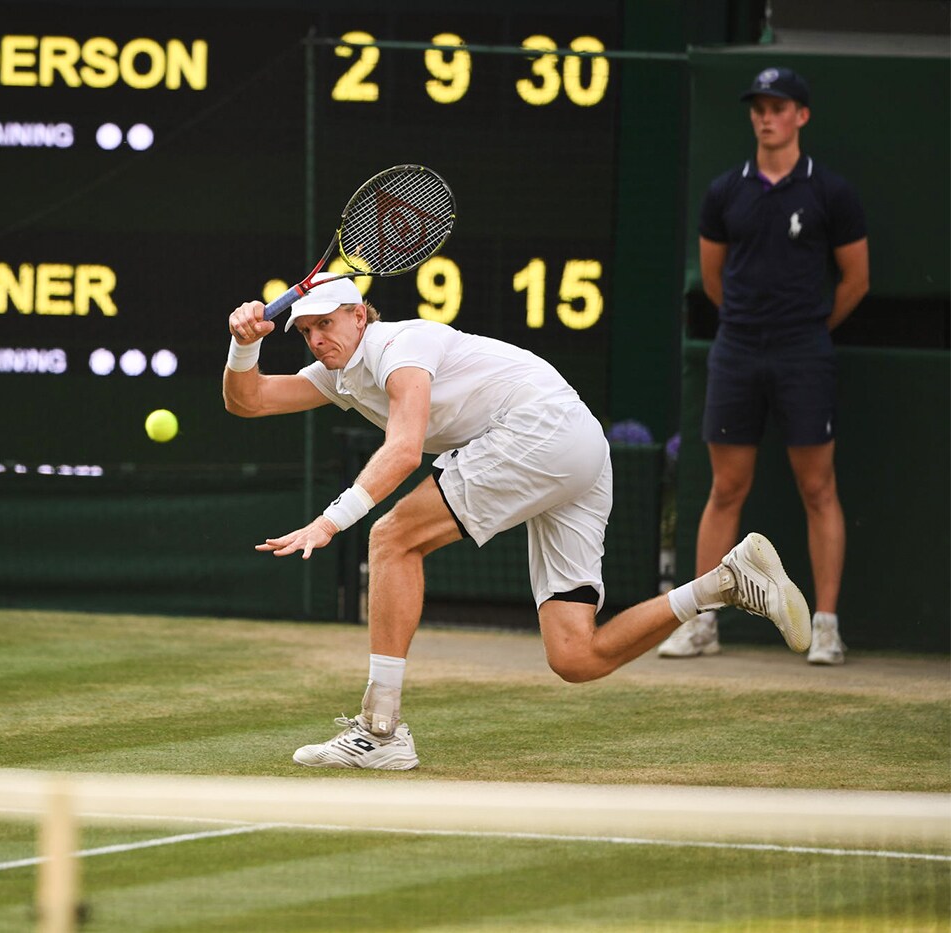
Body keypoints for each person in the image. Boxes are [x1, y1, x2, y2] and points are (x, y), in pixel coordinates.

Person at [223, 272, 812, 770]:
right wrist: (243, 344)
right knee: (576, 657)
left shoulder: (399, 345)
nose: (316, 338)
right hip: (579, 449)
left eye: (326, 323)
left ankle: (381, 732)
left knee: (392, 538)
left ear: (359, 316)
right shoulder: (340, 375)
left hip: (536, 429)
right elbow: (248, 402)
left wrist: (329, 523)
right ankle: (724, 583)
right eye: (305, 331)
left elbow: (404, 451)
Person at [657, 66, 869, 666]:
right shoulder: (726, 191)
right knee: (726, 487)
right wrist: (751, 325)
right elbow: (715, 277)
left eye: (779, 106)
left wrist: (807, 329)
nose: (765, 115)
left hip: (806, 353)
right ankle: (700, 623)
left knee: (817, 486)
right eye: (759, 107)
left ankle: (825, 625)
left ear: (801, 115)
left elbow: (856, 279)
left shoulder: (831, 192)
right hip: (737, 350)